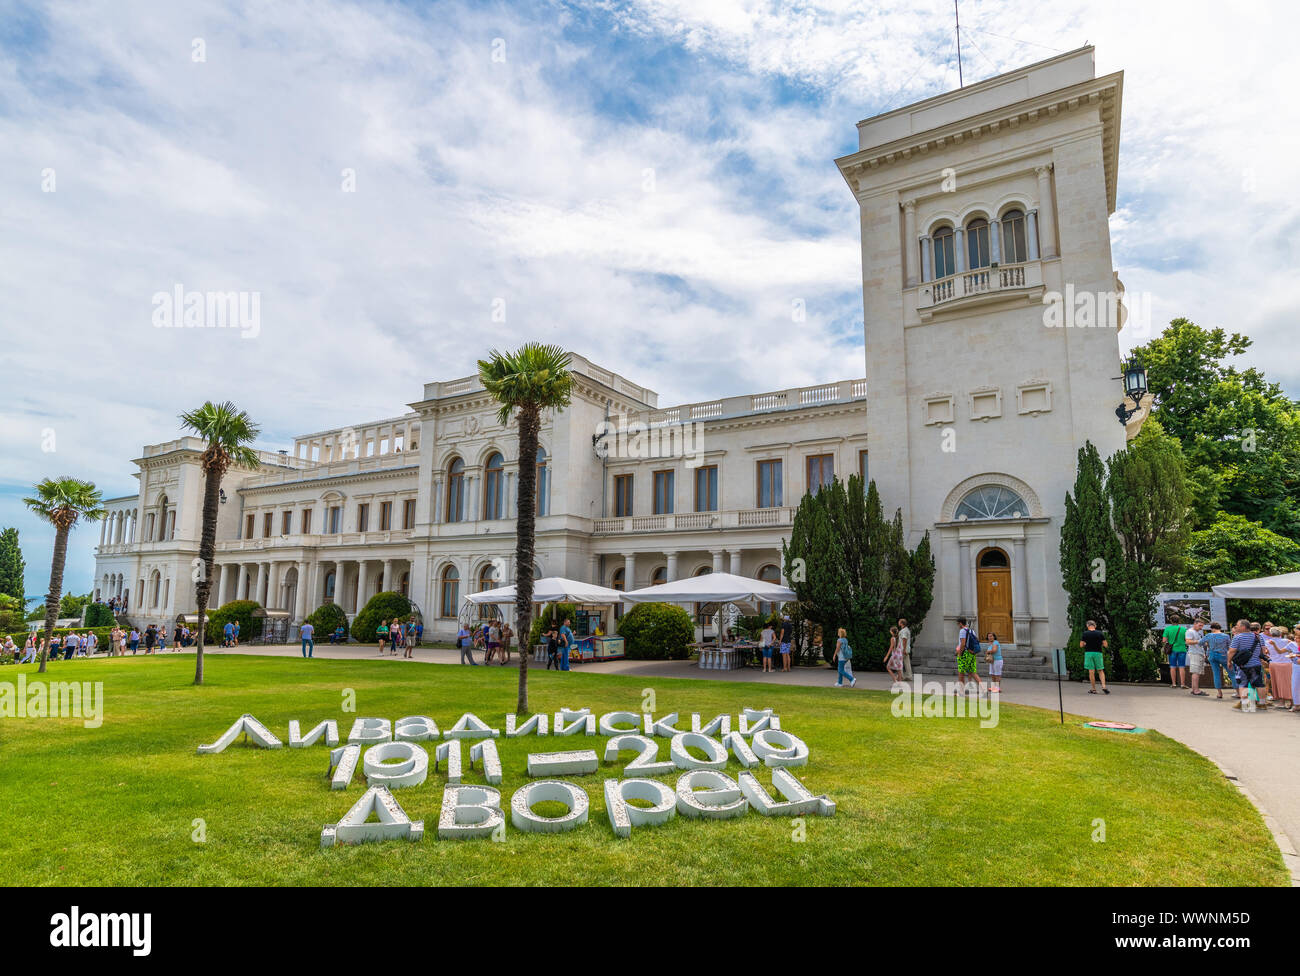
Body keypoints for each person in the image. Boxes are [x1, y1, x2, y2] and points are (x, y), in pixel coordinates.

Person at [1228, 619, 1266, 710]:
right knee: (1259, 684)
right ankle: (1262, 704)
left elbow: (1232, 651)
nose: (1236, 627)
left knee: (1243, 684)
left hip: (1243, 666)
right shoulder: (1258, 637)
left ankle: (1244, 704)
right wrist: (1260, 658)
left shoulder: (1237, 637)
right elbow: (1263, 650)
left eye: (1237, 625)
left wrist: (1229, 661)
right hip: (1256, 664)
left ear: (1243, 627)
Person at [1079, 620, 1109, 694]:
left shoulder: (1085, 634)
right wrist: (1099, 643)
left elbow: (1081, 645)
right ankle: (1104, 686)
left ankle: (1093, 689)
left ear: (1087, 626)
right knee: (1100, 670)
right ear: (1095, 626)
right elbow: (1105, 645)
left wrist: (1086, 644)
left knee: (1091, 671)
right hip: (1098, 653)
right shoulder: (1100, 633)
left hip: (1089, 653)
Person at [954, 617, 982, 695]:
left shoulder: (962, 631)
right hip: (972, 653)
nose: (958, 625)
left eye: (958, 624)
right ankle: (983, 689)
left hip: (965, 653)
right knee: (973, 672)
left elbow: (963, 644)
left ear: (960, 623)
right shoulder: (972, 631)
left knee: (961, 672)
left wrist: (959, 653)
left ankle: (961, 690)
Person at [1202, 622, 1231, 699]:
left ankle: (1219, 693)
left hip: (1212, 656)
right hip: (1223, 655)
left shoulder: (1209, 635)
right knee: (1231, 673)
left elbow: (1201, 643)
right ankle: (1238, 692)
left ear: (1212, 629)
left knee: (1216, 674)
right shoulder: (1226, 636)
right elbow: (1229, 647)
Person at [1161, 619, 1188, 689]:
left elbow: (1164, 640)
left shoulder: (1167, 629)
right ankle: (1182, 684)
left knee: (1172, 667)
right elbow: (1186, 639)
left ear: (1171, 621)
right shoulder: (1184, 629)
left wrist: (1169, 641)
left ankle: (1174, 684)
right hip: (1182, 649)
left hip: (1172, 650)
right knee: (1182, 667)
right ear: (1179, 621)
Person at [1185, 620, 1207, 696]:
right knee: (1196, 672)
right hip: (1194, 653)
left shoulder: (1197, 632)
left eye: (1202, 626)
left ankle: (1194, 689)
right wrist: (1199, 641)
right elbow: (1187, 642)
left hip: (1198, 653)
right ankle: (1196, 690)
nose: (1201, 627)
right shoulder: (1190, 631)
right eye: (1200, 625)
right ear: (1194, 624)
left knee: (1197, 672)